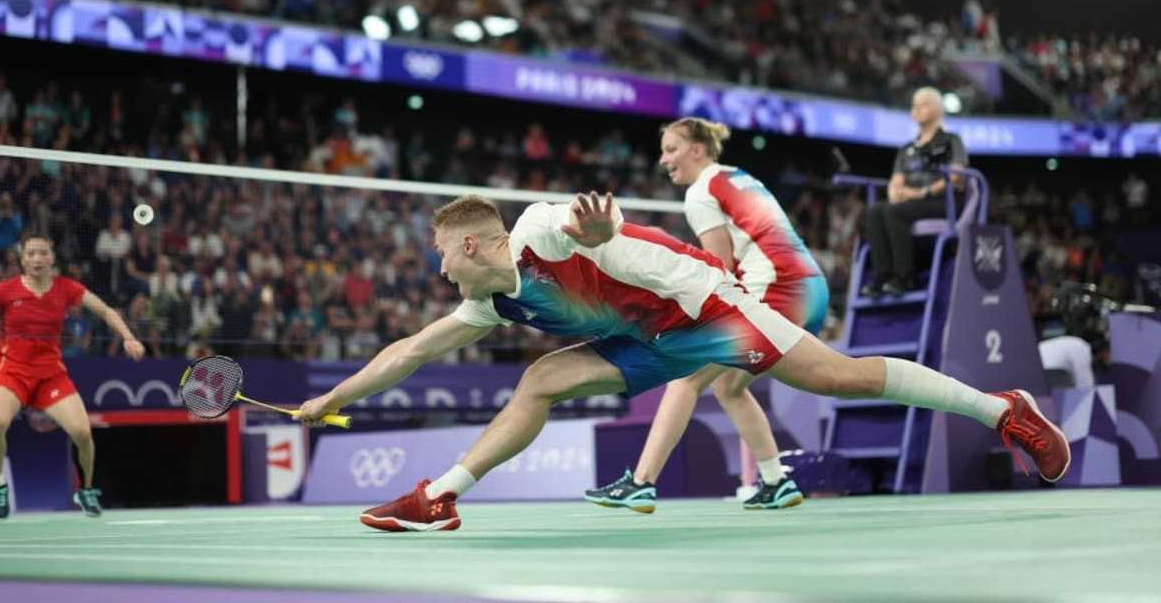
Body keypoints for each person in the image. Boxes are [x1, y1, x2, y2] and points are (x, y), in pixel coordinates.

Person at [293, 192, 1069, 532]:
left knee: (843, 377)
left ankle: (1002, 409)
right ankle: (440, 499)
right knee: (540, 380)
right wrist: (326, 400)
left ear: (470, 244)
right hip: (643, 339)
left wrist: (600, 232)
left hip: (701, 307)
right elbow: (408, 350)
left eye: (441, 255)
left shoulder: (536, 232)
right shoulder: (490, 304)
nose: (439, 272)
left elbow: (588, 224)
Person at [584, 118, 828, 514]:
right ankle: (775, 482)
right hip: (811, 286)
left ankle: (641, 483)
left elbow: (721, 268)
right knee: (728, 386)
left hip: (777, 288)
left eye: (671, 150)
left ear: (698, 150)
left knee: (686, 377)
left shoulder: (700, 193)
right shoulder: (737, 176)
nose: (663, 160)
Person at [0, 233, 145, 518]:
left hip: (50, 375)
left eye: (42, 253)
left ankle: (86, 489)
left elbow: (104, 310)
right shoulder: (5, 291)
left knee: (82, 432)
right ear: (23, 260)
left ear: (52, 258)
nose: (37, 259)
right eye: (31, 253)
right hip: (11, 371)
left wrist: (128, 337)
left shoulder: (66, 288)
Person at [861, 87, 969, 297]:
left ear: (937, 109)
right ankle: (883, 276)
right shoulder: (907, 149)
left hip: (942, 201)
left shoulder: (951, 140)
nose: (916, 109)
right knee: (875, 211)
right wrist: (894, 192)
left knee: (894, 212)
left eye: (923, 104)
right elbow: (896, 181)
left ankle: (905, 276)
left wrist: (922, 192)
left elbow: (956, 176)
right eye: (914, 105)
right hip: (913, 202)